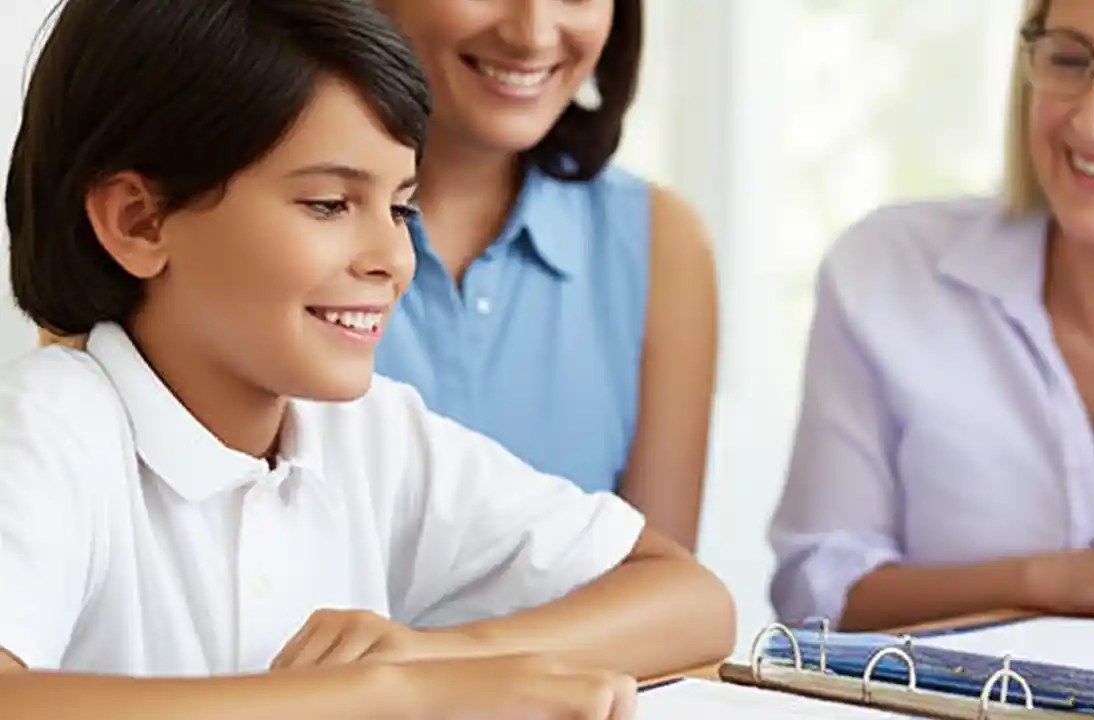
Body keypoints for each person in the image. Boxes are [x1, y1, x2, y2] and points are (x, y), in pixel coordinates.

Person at [0, 1, 735, 718]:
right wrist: (384, 698)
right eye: (327, 204)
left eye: (400, 208)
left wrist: (436, 659)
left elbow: (693, 602)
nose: (393, 258)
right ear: (140, 220)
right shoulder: (50, 427)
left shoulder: (369, 434)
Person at [770, 0, 1094, 638]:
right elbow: (816, 590)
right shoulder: (888, 270)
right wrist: (1061, 580)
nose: (1093, 122)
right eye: (1069, 58)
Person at [370, 0, 717, 551]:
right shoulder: (253, 219)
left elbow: (665, 605)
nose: (531, 35)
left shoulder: (659, 243)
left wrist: (446, 646)